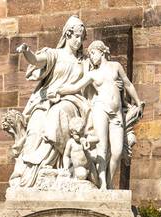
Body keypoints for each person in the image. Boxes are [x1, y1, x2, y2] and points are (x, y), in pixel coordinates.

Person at [9, 16, 89, 188]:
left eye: (82, 38)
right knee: (35, 125)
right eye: (76, 36)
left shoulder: (84, 61)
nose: (79, 41)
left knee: (56, 114)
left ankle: (49, 166)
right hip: (45, 101)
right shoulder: (55, 54)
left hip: (71, 102)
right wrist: (26, 51)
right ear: (67, 34)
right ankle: (28, 173)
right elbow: (36, 61)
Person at [65, 39, 143, 189]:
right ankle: (103, 185)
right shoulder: (92, 74)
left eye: (93, 53)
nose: (92, 57)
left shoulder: (116, 66)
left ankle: (109, 179)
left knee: (117, 151)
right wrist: (58, 89)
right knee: (102, 148)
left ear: (101, 51)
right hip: (100, 109)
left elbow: (127, 84)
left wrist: (138, 102)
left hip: (116, 113)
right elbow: (75, 87)